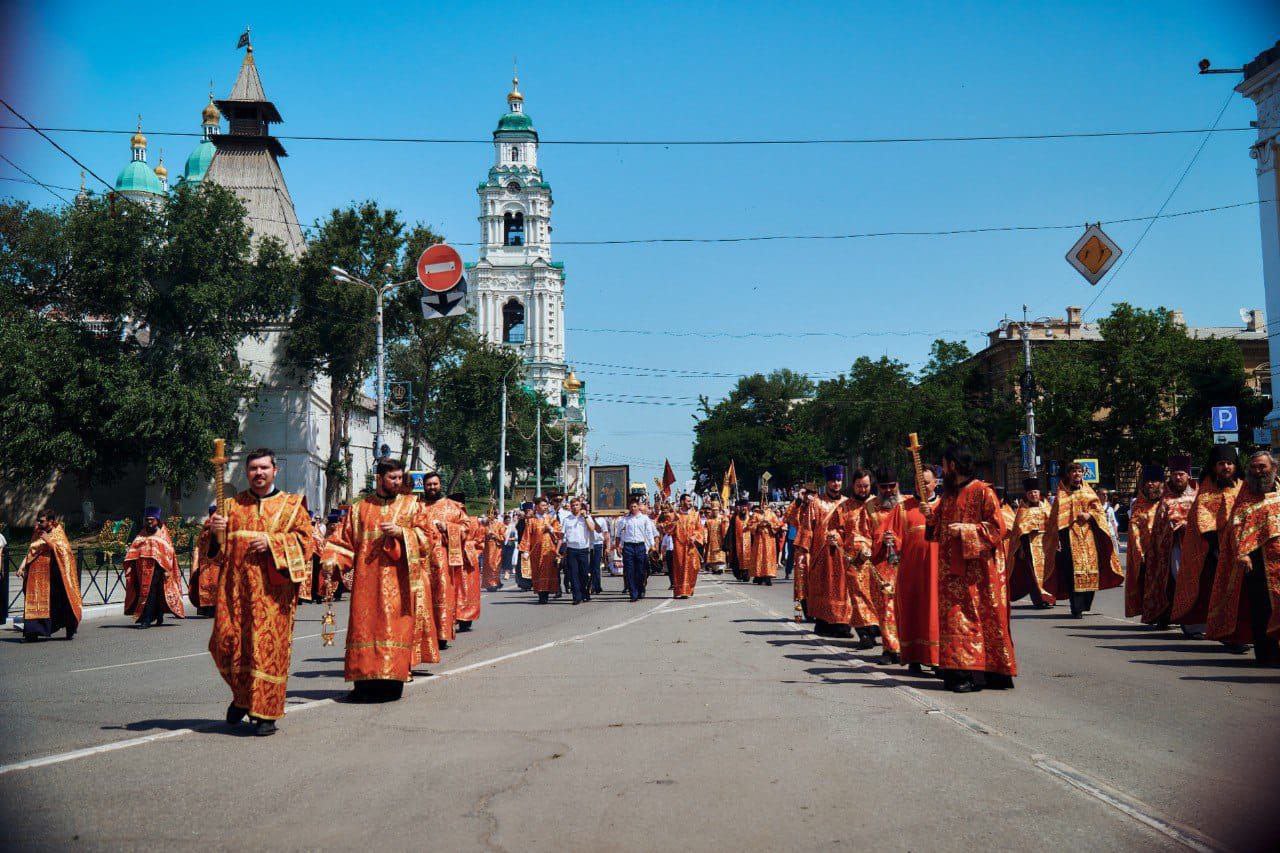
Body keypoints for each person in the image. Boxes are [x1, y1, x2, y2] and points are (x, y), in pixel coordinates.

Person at [205, 448, 315, 735]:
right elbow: (213, 552)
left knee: (265, 652)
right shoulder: (231, 506)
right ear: (246, 472)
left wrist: (273, 544)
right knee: (225, 645)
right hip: (234, 592)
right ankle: (242, 698)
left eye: (264, 468)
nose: (259, 473)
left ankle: (265, 714)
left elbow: (307, 544)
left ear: (275, 470)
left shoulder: (292, 506)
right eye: (253, 468)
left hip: (272, 597)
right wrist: (214, 533)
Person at [322, 458, 438, 702]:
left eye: (399, 478)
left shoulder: (411, 506)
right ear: (379, 478)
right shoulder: (359, 508)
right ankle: (362, 686)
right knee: (364, 630)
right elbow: (343, 542)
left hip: (399, 583)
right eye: (392, 478)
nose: (397, 482)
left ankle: (392, 684)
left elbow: (428, 540)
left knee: (394, 630)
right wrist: (332, 559)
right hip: (366, 583)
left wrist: (403, 533)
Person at [924, 446, 1017, 693]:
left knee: (980, 620)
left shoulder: (983, 492)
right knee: (955, 621)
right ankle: (960, 673)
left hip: (979, 573)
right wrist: (930, 517)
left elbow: (998, 529)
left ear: (953, 465)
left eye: (944, 465)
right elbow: (937, 529)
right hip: (952, 573)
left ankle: (980, 674)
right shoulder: (949, 495)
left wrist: (964, 530)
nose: (943, 471)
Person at [1207, 450, 1280, 665]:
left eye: (1262, 467)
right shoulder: (1245, 495)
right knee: (1262, 609)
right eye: (1254, 467)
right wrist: (1243, 553)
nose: (1258, 471)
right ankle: (1267, 654)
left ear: (1273, 468)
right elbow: (1236, 526)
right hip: (1258, 563)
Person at [1170, 446, 1242, 641]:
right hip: (1211, 551)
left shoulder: (1243, 487)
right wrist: (1217, 546)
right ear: (1214, 466)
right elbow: (1204, 519)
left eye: (1229, 463)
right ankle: (1215, 630)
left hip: (1242, 548)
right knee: (1211, 591)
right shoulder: (1207, 491)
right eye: (1221, 464)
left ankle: (1236, 632)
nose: (1226, 467)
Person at [1043, 461, 1124, 619]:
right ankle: (1076, 607)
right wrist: (1057, 539)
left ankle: (1085, 603)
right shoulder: (1062, 494)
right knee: (1072, 571)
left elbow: (1099, 511)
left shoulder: (1089, 492)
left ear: (1082, 474)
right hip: (1069, 537)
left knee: (1091, 569)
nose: (1077, 474)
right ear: (1069, 474)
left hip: (1088, 537)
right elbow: (1055, 518)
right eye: (1073, 471)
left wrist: (1089, 515)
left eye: (1079, 471)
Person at [857, 470, 910, 664]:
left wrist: (898, 539)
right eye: (883, 487)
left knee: (907, 609)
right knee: (886, 609)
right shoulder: (870, 507)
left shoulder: (908, 503)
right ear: (877, 487)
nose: (888, 490)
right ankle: (890, 649)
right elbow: (862, 534)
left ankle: (910, 648)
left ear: (897, 484)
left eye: (891, 486)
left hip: (907, 563)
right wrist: (868, 546)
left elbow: (917, 531)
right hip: (881, 566)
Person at [824, 469, 881, 645]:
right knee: (857, 596)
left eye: (865, 486)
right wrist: (834, 537)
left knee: (877, 595)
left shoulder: (878, 504)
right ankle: (865, 633)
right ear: (853, 485)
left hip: (877, 558)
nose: (862, 490)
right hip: (854, 560)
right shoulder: (844, 507)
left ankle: (879, 628)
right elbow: (837, 529)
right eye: (859, 486)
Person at [1142, 454, 1198, 629]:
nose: (1178, 477)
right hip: (1173, 548)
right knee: (1174, 582)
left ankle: (1192, 620)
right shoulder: (1165, 499)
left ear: (1188, 475)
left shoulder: (1198, 496)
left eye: (1181, 474)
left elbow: (1205, 520)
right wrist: (1170, 528)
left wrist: (1187, 525)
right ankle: (1170, 615)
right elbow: (1158, 527)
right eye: (1174, 474)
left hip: (1196, 547)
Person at [895, 466, 941, 674]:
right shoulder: (903, 508)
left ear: (935, 483)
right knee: (914, 612)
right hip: (912, 571)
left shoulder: (944, 506)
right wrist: (890, 541)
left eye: (925, 481)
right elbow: (893, 535)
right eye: (917, 481)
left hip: (937, 571)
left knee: (936, 613)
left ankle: (938, 659)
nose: (920, 485)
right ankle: (914, 656)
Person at [794, 465, 849, 634]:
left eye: (838, 480)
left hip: (841, 554)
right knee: (821, 587)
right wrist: (804, 551)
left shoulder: (847, 503)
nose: (836, 484)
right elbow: (807, 527)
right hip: (820, 554)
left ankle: (842, 624)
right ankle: (823, 623)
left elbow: (851, 528)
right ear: (827, 482)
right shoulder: (816, 503)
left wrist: (840, 537)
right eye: (833, 481)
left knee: (841, 589)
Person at [417, 473, 468, 648]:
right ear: (423, 486)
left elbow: (466, 528)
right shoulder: (417, 507)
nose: (432, 487)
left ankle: (441, 635)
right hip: (420, 561)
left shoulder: (452, 507)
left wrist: (448, 528)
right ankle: (422, 636)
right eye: (428, 484)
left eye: (435, 484)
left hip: (442, 562)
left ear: (440, 485)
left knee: (442, 596)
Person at [18, 509, 82, 642]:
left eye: (42, 521)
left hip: (55, 576)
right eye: (38, 521)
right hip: (36, 575)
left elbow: (63, 551)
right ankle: (32, 634)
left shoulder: (58, 532)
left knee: (61, 601)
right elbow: (32, 551)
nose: (39, 523)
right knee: (34, 602)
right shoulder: (37, 533)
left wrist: (48, 541)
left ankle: (69, 629)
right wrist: (22, 566)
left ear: (51, 521)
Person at [123, 505, 185, 628]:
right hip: (142, 570)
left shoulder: (162, 534)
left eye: (152, 519)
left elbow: (169, 552)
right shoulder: (141, 534)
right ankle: (158, 615)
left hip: (157, 569)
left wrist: (166, 569)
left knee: (151, 593)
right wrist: (131, 562)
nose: (149, 521)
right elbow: (134, 549)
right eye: (147, 519)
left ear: (157, 520)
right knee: (147, 593)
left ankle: (147, 619)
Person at [1124, 466, 1166, 619]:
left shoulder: (1168, 501)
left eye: (1154, 481)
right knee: (1150, 585)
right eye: (1147, 481)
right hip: (1148, 551)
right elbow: (1133, 527)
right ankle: (1155, 615)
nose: (1150, 484)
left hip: (1167, 549)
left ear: (1161, 483)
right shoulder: (1139, 504)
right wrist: (1138, 549)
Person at [1007, 478, 1054, 609]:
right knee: (1033, 574)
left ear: (1039, 493)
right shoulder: (1023, 510)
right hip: (1030, 545)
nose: (1033, 495)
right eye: (1030, 493)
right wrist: (1029, 530)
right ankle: (1039, 600)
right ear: (1027, 495)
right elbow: (1019, 528)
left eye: (1035, 492)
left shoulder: (1046, 506)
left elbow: (1053, 523)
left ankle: (1048, 597)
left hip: (1046, 543)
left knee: (1048, 570)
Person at [662, 493, 706, 599]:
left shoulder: (695, 515)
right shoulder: (674, 515)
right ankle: (680, 590)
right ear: (682, 502)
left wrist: (694, 537)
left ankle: (690, 588)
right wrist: (674, 522)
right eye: (688, 501)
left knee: (693, 567)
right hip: (679, 546)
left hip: (691, 546)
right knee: (680, 567)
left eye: (691, 501)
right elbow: (667, 529)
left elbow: (700, 529)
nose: (690, 503)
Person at [450, 493, 483, 633]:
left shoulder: (474, 521)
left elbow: (480, 541)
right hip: (452, 563)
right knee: (453, 590)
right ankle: (453, 618)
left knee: (467, 591)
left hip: (468, 564)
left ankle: (466, 618)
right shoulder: (447, 523)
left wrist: (467, 547)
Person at [614, 497, 657, 602]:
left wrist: (652, 545)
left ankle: (640, 588)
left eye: (635, 506)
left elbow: (649, 533)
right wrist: (617, 546)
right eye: (631, 506)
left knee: (640, 571)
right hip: (628, 546)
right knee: (629, 570)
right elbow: (618, 534)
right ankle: (633, 593)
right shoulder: (624, 520)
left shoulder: (644, 519)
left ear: (638, 507)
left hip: (640, 546)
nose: (633, 508)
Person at [521, 496, 563, 604]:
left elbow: (559, 534)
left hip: (549, 551)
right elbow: (527, 536)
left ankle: (546, 593)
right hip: (536, 552)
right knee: (538, 572)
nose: (545, 507)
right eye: (543, 505)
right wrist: (525, 550)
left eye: (546, 505)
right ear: (537, 507)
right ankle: (541, 594)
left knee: (549, 572)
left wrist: (551, 529)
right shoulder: (531, 521)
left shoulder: (551, 518)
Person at [560, 496, 599, 604]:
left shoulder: (586, 517)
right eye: (572, 505)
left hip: (583, 549)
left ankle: (585, 593)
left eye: (577, 505)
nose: (574, 507)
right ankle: (576, 596)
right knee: (573, 573)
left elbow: (592, 529)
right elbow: (562, 535)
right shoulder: (567, 519)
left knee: (584, 574)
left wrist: (585, 516)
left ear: (580, 506)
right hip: (572, 549)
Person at [190, 504, 223, 617]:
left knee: (214, 585)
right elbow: (199, 545)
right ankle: (207, 609)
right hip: (207, 561)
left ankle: (212, 609)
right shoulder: (206, 529)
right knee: (206, 585)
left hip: (216, 560)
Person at [746, 499, 781, 586]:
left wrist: (770, 523)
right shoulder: (756, 513)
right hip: (759, 538)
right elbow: (749, 524)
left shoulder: (771, 514)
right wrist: (759, 524)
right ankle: (759, 575)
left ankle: (768, 576)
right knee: (759, 556)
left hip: (769, 538)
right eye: (762, 502)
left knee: (768, 557)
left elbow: (778, 524)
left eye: (766, 502)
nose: (764, 504)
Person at [724, 499, 753, 583]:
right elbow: (731, 531)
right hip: (737, 543)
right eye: (742, 507)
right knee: (736, 559)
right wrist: (728, 544)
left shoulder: (751, 517)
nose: (743, 508)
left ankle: (746, 574)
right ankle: (739, 574)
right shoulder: (735, 518)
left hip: (749, 543)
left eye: (745, 506)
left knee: (748, 558)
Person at [703, 499, 728, 575]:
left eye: (716, 510)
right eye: (713, 510)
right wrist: (705, 536)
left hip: (720, 540)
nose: (715, 511)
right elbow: (705, 529)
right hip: (711, 540)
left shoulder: (722, 518)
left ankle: (720, 568)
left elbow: (726, 528)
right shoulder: (708, 520)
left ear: (719, 510)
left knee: (720, 554)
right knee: (712, 556)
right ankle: (714, 568)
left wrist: (725, 520)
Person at [483, 512, 506, 591]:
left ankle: (495, 583)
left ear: (495, 515)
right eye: (488, 514)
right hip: (487, 548)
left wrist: (495, 535)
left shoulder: (500, 525)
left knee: (495, 565)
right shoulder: (485, 525)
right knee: (488, 565)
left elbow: (503, 537)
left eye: (491, 514)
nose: (489, 516)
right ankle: (488, 583)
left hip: (496, 547)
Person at [589, 506, 607, 595]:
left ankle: (596, 585)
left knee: (596, 566)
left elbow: (604, 532)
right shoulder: (586, 517)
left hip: (598, 543)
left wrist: (607, 546)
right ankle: (590, 585)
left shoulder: (602, 519)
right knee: (589, 566)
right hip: (588, 544)